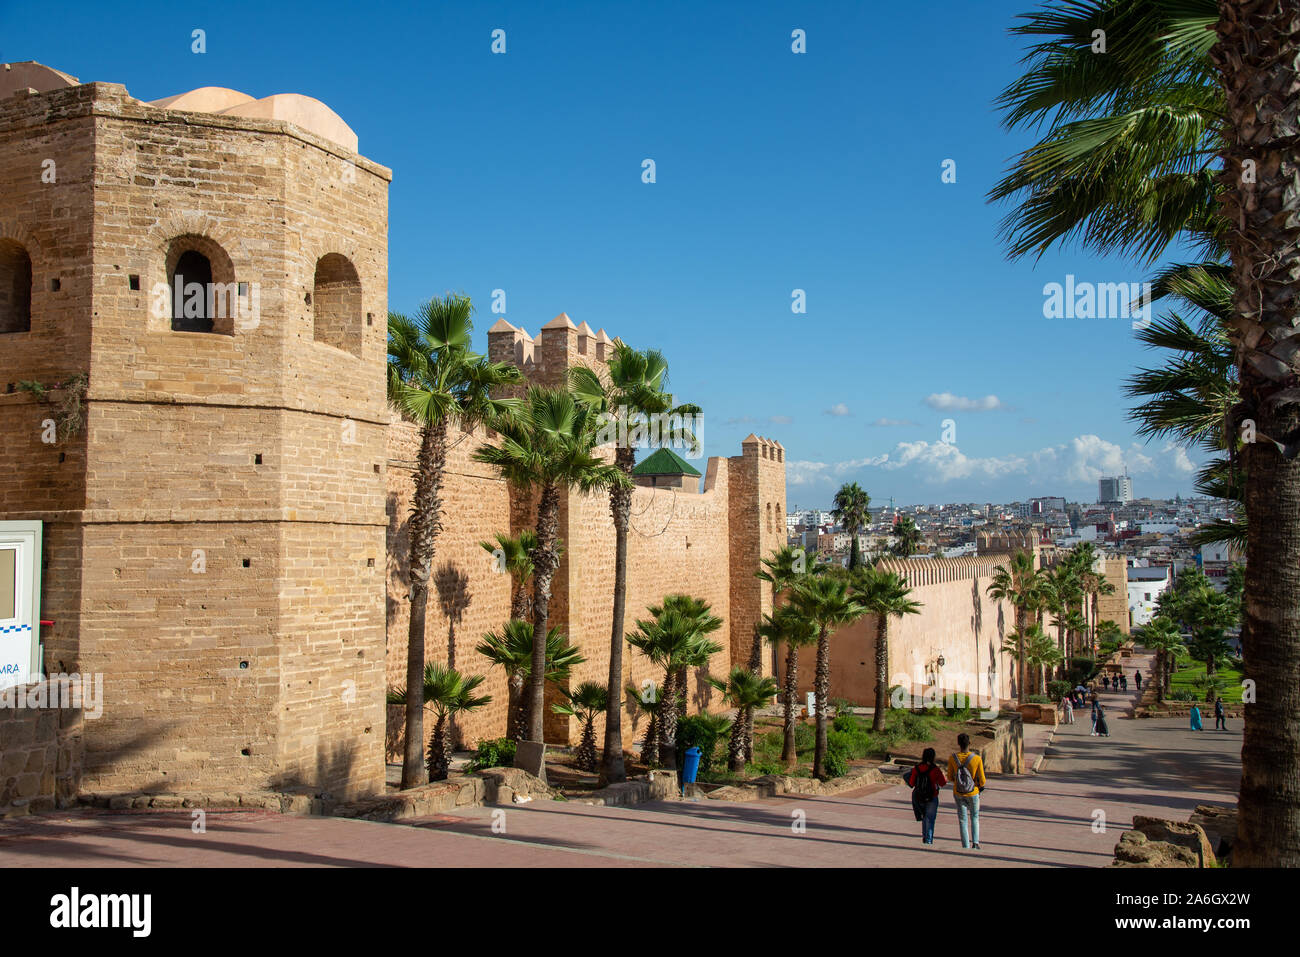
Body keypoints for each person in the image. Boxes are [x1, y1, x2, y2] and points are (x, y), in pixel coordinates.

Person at [947, 733, 987, 849]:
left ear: (958, 744)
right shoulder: (976, 759)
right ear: (969, 743)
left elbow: (950, 777)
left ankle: (965, 845)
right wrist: (977, 785)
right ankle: (975, 842)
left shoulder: (953, 758)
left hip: (958, 792)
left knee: (962, 819)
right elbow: (983, 780)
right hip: (973, 792)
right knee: (974, 816)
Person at [906, 747, 947, 845]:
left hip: (919, 797)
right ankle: (928, 840)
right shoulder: (935, 769)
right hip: (932, 797)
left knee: (924, 817)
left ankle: (924, 837)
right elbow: (943, 783)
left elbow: (911, 783)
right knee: (930, 819)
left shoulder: (917, 768)